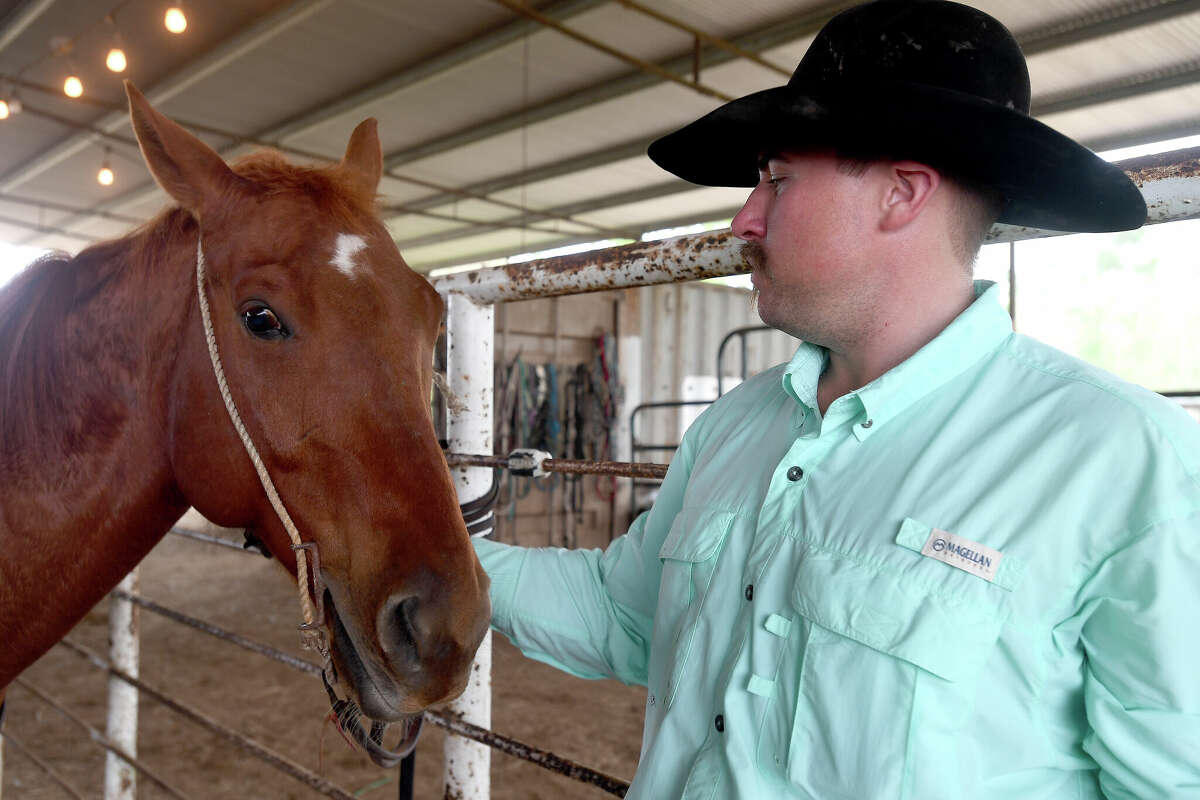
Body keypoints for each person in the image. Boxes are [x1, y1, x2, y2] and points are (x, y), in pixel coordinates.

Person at [472, 1, 1200, 797]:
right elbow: (623, 616)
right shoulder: (735, 424)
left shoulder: (1126, 461)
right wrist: (398, 540)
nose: (744, 220)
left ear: (902, 194)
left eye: (776, 180)